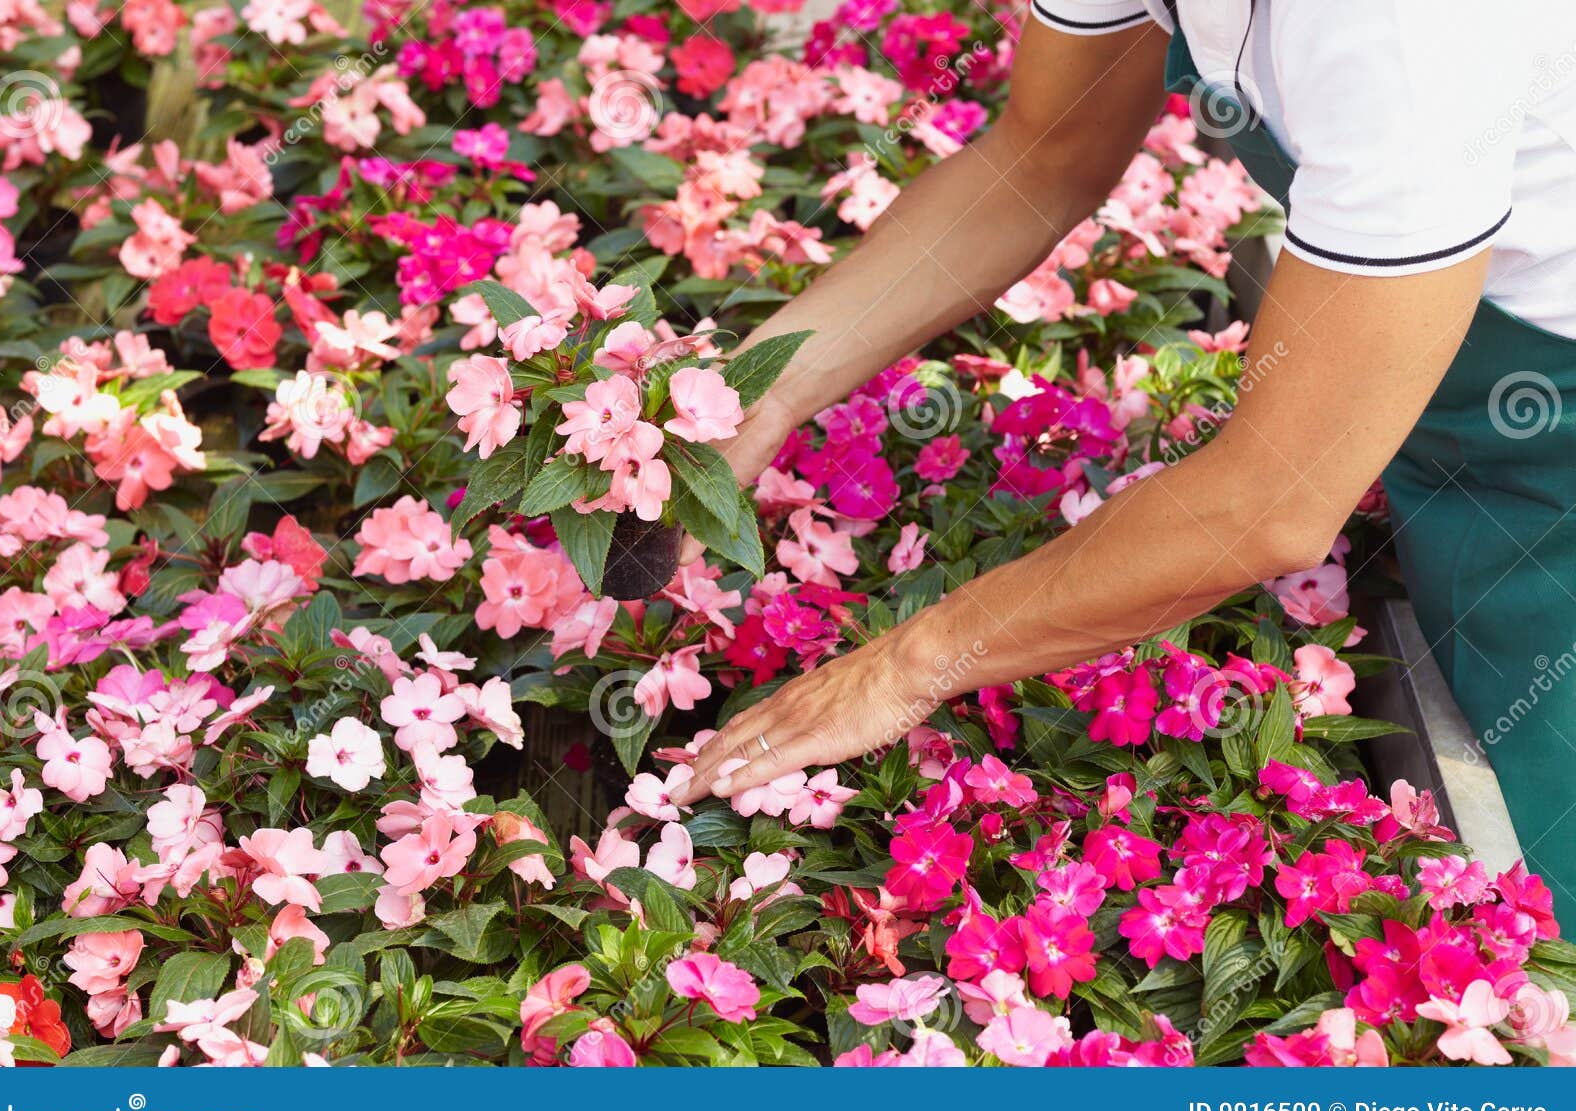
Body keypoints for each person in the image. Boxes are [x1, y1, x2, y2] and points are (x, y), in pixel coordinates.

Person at [674, 0, 1576, 922]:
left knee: (1549, 849)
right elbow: (1044, 157)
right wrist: (764, 390)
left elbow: (1270, 501)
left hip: (1553, 447)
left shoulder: (1404, 33)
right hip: (1433, 398)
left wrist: (908, 665)